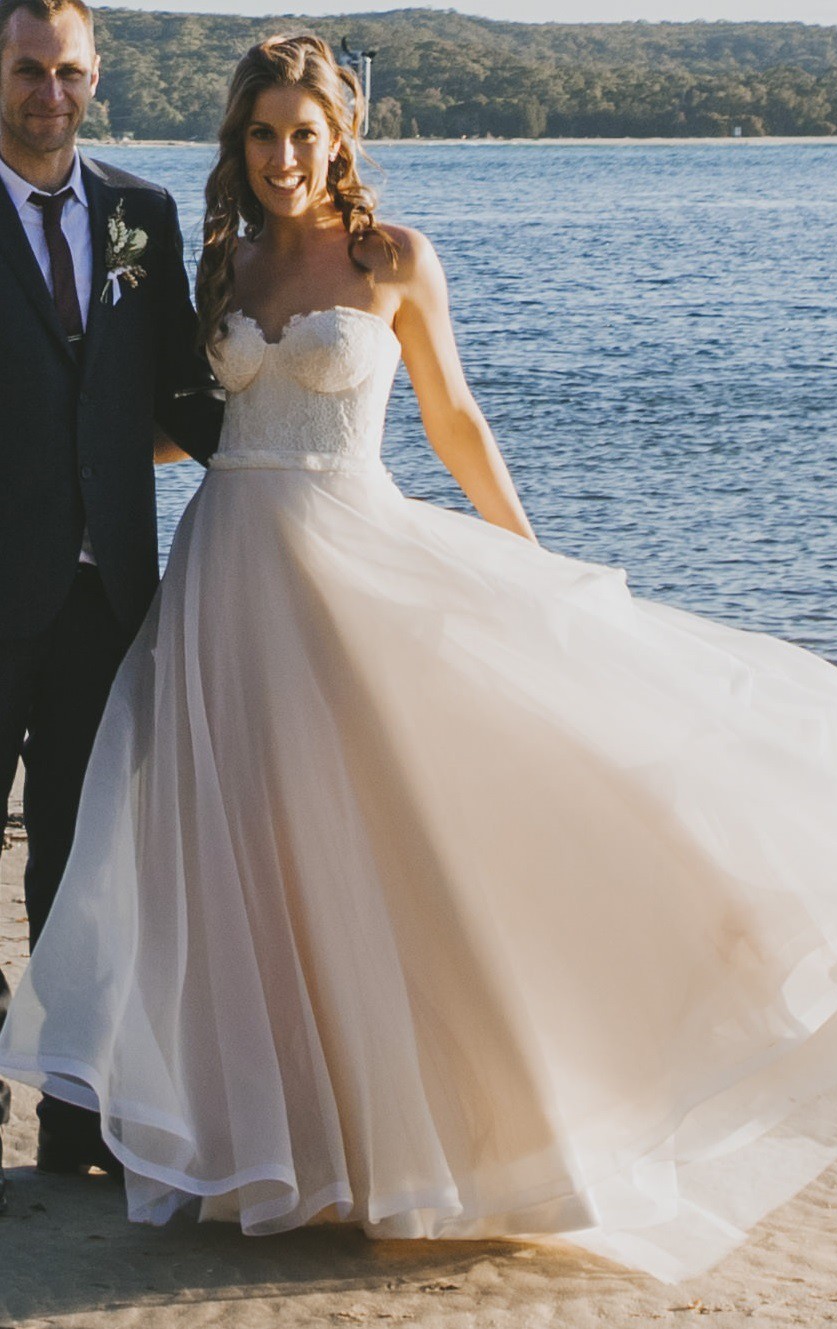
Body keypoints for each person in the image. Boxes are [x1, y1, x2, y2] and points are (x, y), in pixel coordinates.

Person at [0, 33, 837, 1278]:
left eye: (302, 134)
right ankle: (265, 1141)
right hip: (224, 590)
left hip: (349, 575)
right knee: (247, 866)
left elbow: (455, 418)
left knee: (385, 851)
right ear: (236, 143)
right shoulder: (218, 261)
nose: (280, 157)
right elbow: (171, 419)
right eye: (261, 135)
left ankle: (411, 1139)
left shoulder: (395, 260)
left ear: (341, 139)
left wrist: (527, 566)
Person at [0, 0, 222, 1212]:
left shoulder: (141, 214)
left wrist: (289, 468)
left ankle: (74, 1119)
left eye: (68, 71)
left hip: (107, 596)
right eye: (29, 69)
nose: (50, 91)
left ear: (97, 76)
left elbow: (178, 385)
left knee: (86, 868)